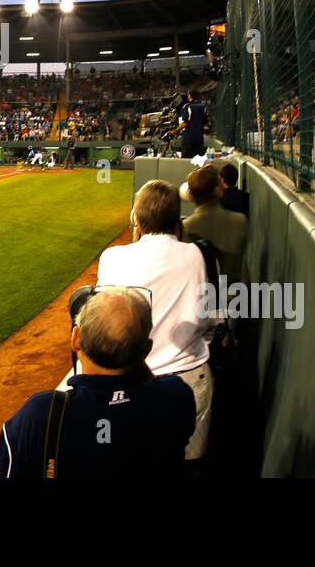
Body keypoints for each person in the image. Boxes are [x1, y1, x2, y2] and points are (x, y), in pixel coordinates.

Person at [0, 287, 196, 478]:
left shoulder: (42, 414)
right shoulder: (177, 395)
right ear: (145, 351)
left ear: (75, 339)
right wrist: (131, 351)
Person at [96, 179, 212, 460]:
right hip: (188, 378)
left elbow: (102, 324)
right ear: (177, 219)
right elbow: (204, 319)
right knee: (187, 466)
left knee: (128, 464)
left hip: (127, 385)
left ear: (136, 218)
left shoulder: (113, 257)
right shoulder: (196, 254)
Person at [182, 164, 249, 283]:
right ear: (217, 190)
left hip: (201, 294)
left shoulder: (185, 227)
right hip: (234, 294)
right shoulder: (240, 220)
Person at [176, 90, 207, 158]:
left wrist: (175, 131)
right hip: (199, 140)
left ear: (190, 96)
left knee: (186, 162)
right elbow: (205, 122)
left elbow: (185, 123)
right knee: (198, 162)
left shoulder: (188, 106)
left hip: (188, 140)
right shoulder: (203, 107)